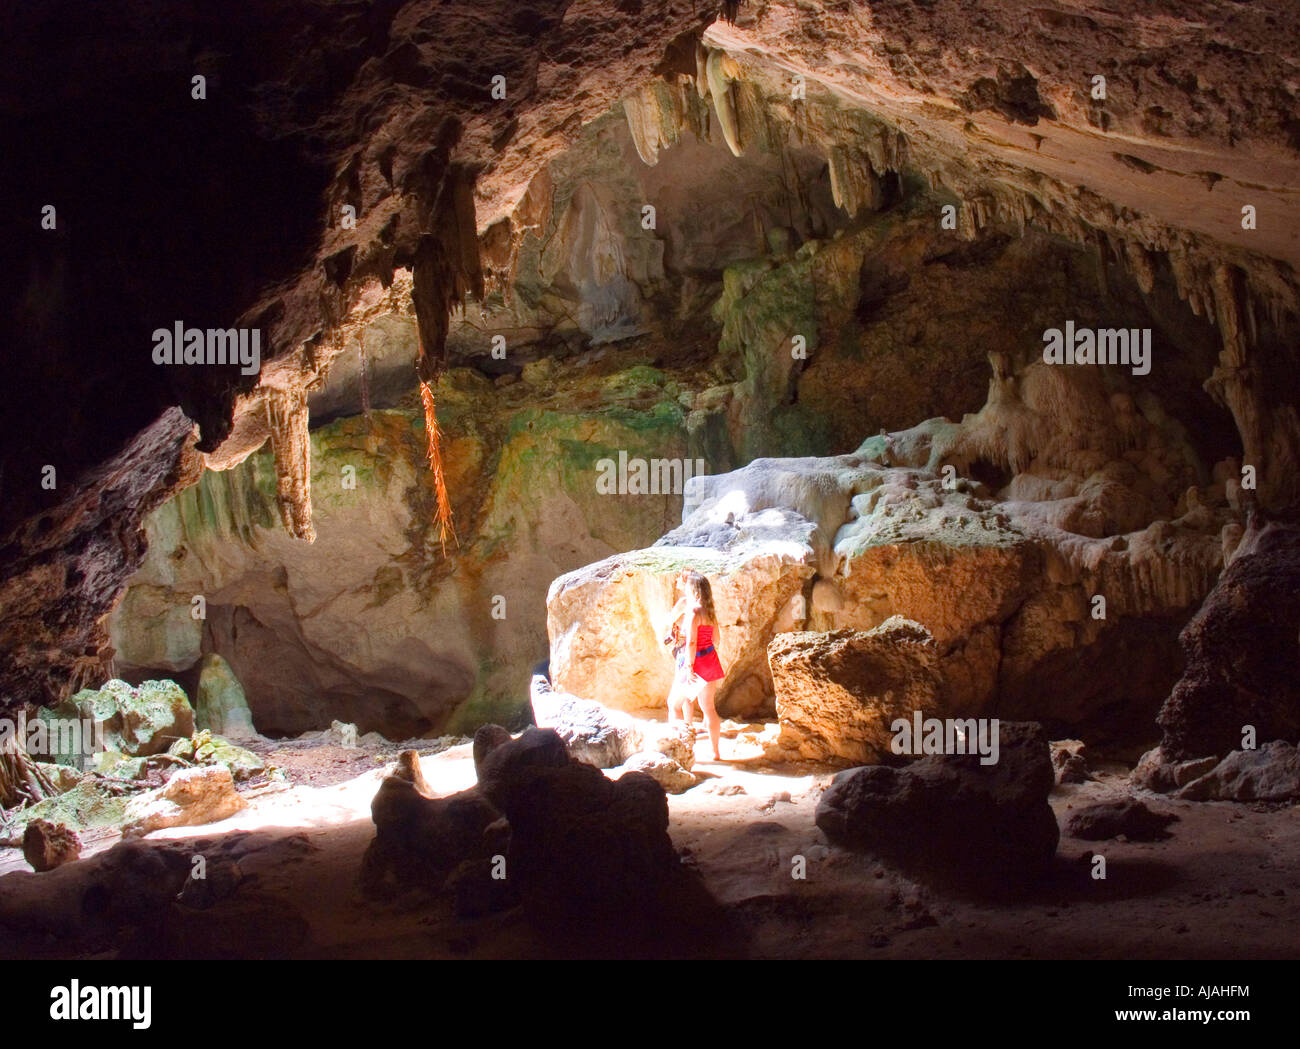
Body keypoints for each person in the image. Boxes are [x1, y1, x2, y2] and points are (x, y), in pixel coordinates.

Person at [662, 569, 725, 760]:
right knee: (709, 708)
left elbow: (691, 642)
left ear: (694, 589)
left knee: (674, 704)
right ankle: (716, 752)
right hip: (710, 661)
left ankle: (679, 749)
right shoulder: (710, 611)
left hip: (694, 663)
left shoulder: (693, 611)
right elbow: (716, 640)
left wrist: (689, 667)